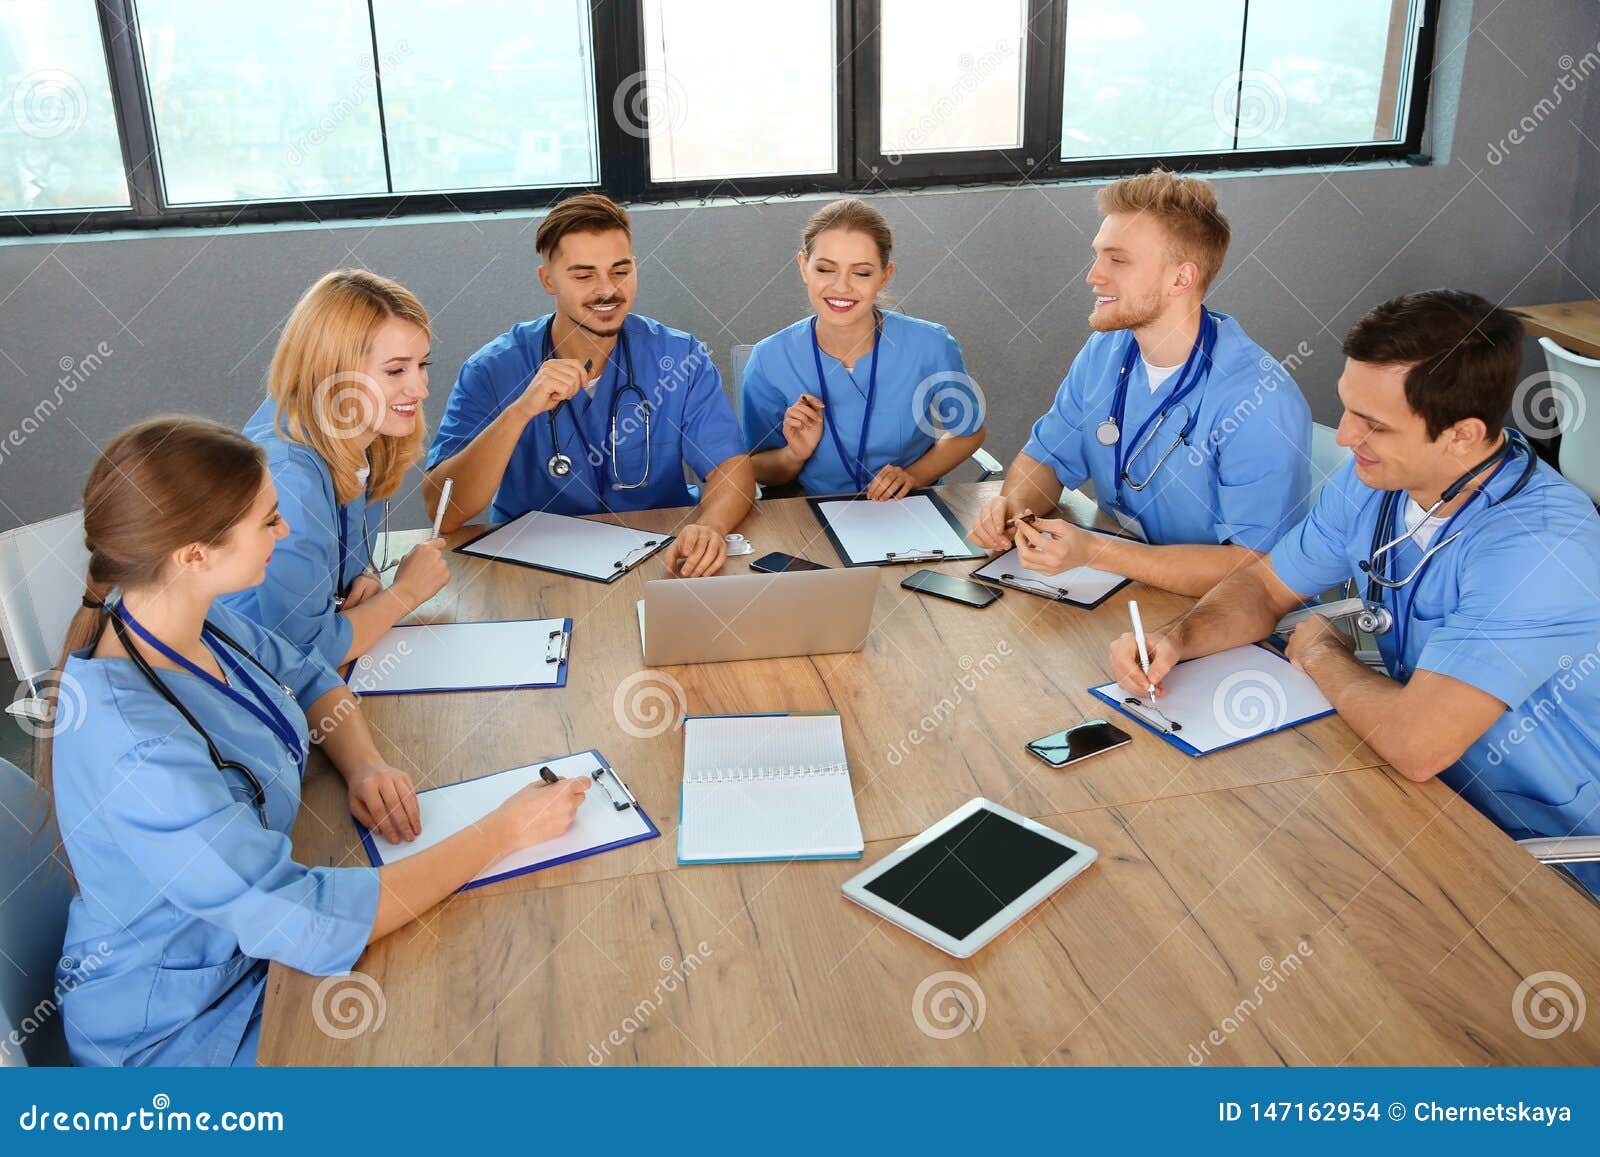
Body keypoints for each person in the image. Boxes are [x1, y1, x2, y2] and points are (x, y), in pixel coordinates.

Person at [44, 417, 591, 1066]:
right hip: (181, 1030)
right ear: (193, 554)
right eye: (269, 520)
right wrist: (502, 830)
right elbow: (304, 920)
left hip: (255, 951)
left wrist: (362, 765)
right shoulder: (138, 750)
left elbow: (305, 672)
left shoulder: (190, 618)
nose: (287, 532)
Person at [1109, 291, 1600, 897]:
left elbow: (1418, 747)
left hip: (1542, 847)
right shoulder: (1380, 483)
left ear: (1463, 436)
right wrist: (1176, 639)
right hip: (1418, 796)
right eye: (1348, 410)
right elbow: (1265, 586)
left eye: (1374, 424)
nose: (1343, 437)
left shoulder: (1539, 546)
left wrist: (1320, 654)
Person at [968, 169, 1312, 597]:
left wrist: (1097, 551)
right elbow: (1048, 459)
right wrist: (1012, 510)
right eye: (1097, 255)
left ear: (1180, 279)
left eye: (1118, 259)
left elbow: (1254, 569)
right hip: (1127, 589)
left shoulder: (1259, 400)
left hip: (1222, 616)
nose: (1093, 276)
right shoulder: (1105, 352)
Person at [423, 193, 755, 577]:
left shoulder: (679, 358)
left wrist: (711, 526)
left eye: (620, 270)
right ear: (548, 280)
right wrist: (520, 412)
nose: (607, 290)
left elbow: (731, 469)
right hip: (533, 568)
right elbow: (443, 513)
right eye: (583, 276)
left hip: (659, 556)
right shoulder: (492, 369)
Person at [219, 270, 450, 668]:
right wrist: (405, 593)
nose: (421, 388)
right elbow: (301, 654)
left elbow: (344, 569)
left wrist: (368, 583)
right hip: (245, 676)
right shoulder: (289, 478)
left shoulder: (360, 437)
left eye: (421, 364)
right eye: (396, 371)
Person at [741, 198, 986, 499]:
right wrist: (794, 453)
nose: (841, 287)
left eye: (862, 273)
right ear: (804, 268)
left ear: (885, 275)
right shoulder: (769, 359)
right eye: (825, 269)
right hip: (812, 510)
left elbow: (969, 431)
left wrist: (912, 476)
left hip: (909, 507)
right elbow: (757, 467)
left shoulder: (931, 344)